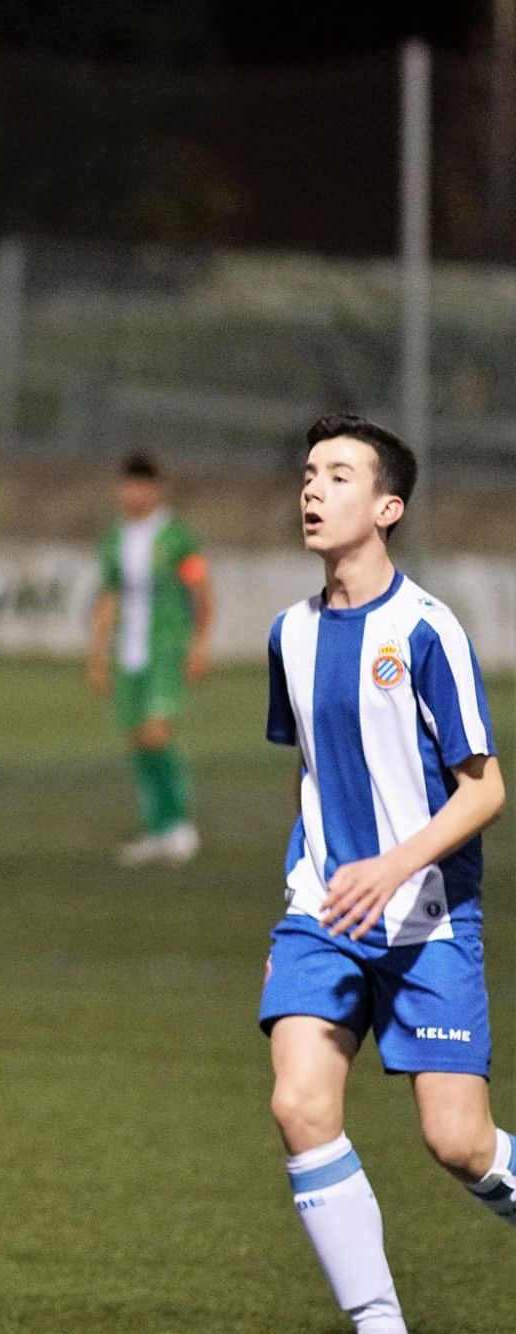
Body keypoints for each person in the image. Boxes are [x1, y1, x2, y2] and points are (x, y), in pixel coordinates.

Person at [260, 413, 513, 1334]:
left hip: (425, 917)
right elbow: (316, 779)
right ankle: (378, 1325)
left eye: (337, 476)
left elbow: (484, 792)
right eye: (308, 475)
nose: (313, 490)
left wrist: (392, 867)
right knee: (298, 1103)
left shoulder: (428, 630)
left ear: (387, 505)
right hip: (321, 912)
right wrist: (301, 901)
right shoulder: (289, 633)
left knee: (459, 1143)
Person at [85, 451, 214, 866]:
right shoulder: (115, 539)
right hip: (129, 651)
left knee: (158, 733)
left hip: (165, 649)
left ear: (156, 489)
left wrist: (198, 644)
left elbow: (202, 592)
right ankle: (157, 828)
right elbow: (108, 597)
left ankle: (178, 825)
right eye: (129, 483)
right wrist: (97, 653)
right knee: (137, 738)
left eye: (143, 483)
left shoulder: (175, 538)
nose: (134, 491)